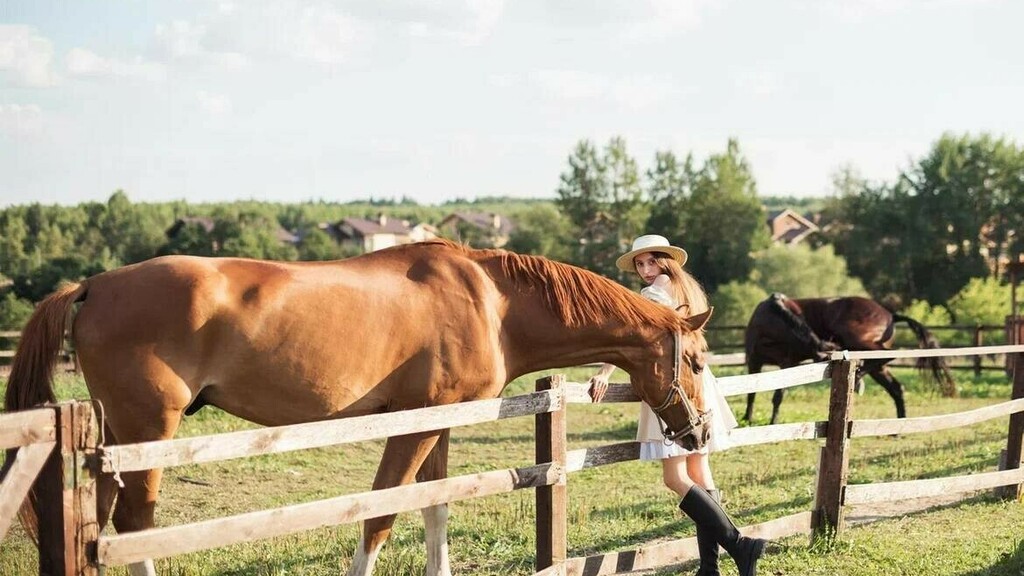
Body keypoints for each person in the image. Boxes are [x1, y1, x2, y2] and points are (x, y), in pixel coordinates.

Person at [588, 234, 767, 576]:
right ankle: (710, 568)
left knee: (676, 477)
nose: (645, 270)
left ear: (665, 261)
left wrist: (604, 371)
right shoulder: (688, 290)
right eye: (640, 264)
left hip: (671, 386)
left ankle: (740, 545)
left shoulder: (654, 292)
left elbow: (629, 335)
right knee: (700, 474)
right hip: (697, 381)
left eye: (651, 261)